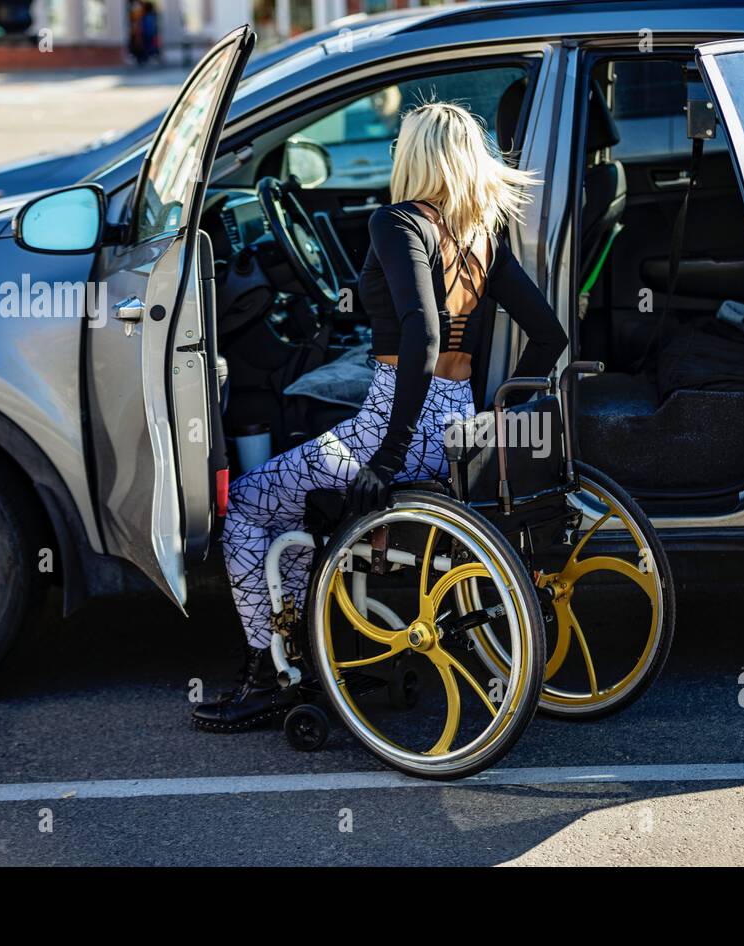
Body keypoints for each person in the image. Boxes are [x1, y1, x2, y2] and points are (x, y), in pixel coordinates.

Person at [193, 102, 568, 732]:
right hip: (458, 424)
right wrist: (507, 412)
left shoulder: (399, 223)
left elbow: (421, 334)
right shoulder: (483, 234)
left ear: (414, 158)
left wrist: (388, 456)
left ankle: (270, 670)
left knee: (253, 501)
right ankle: (309, 648)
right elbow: (550, 335)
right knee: (297, 500)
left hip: (392, 421)